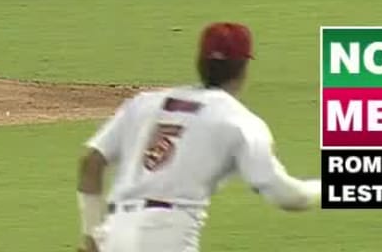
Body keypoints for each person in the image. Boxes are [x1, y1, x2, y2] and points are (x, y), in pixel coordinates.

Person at [74, 22, 322, 252]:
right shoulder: (239, 121)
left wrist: (91, 235)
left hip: (115, 234)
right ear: (244, 67)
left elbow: (91, 163)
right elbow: (287, 196)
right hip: (168, 235)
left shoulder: (144, 103)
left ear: (199, 61)